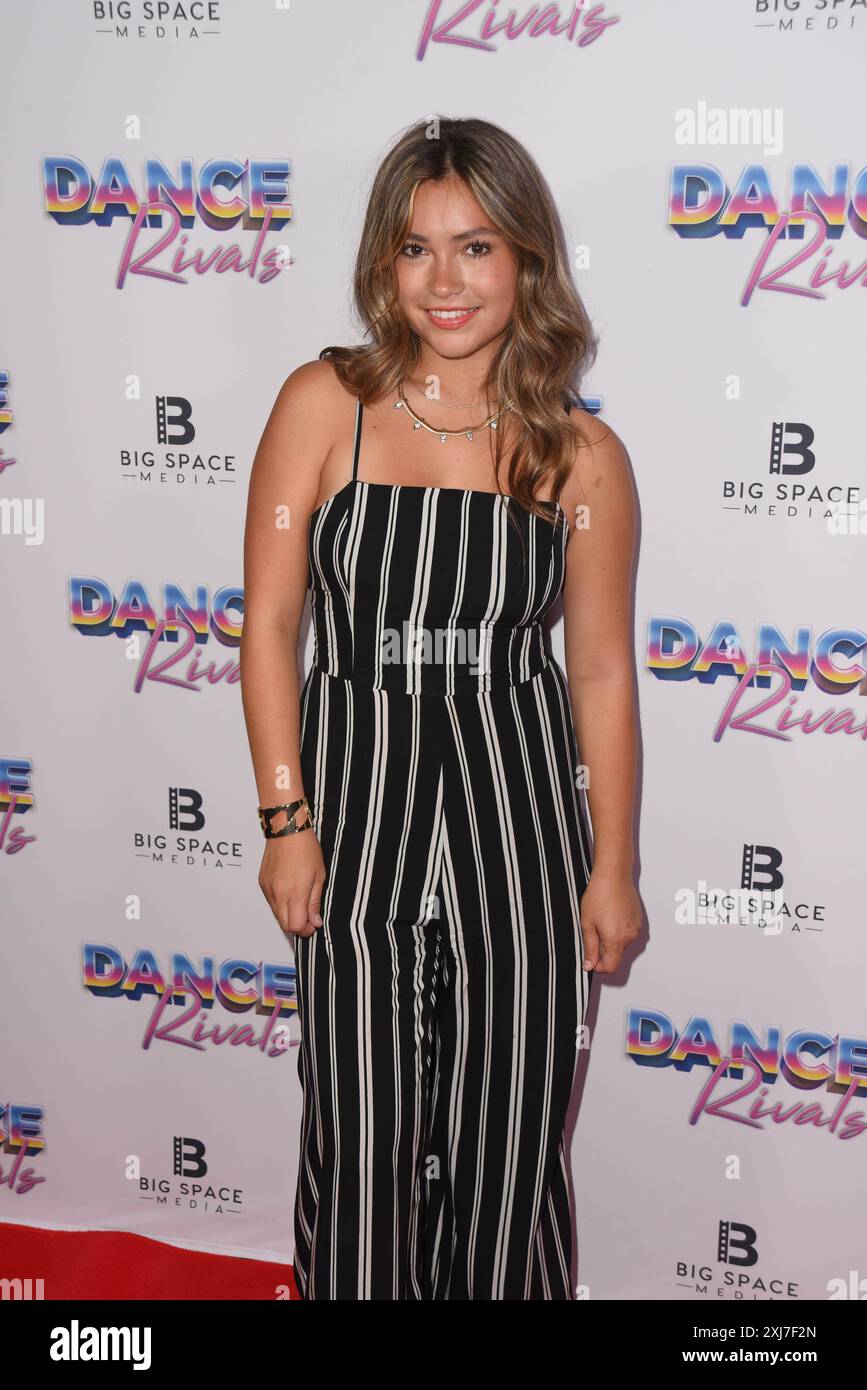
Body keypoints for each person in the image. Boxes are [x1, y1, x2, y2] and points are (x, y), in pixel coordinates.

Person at [240, 115, 642, 1301]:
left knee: (510, 1149)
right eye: (417, 250)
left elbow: (605, 675)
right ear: (383, 262)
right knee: (356, 1137)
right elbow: (268, 626)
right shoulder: (325, 404)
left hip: (517, 814)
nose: (446, 282)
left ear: (526, 259)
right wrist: (284, 821)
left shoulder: (582, 455)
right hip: (354, 804)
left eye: (476, 248)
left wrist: (610, 866)